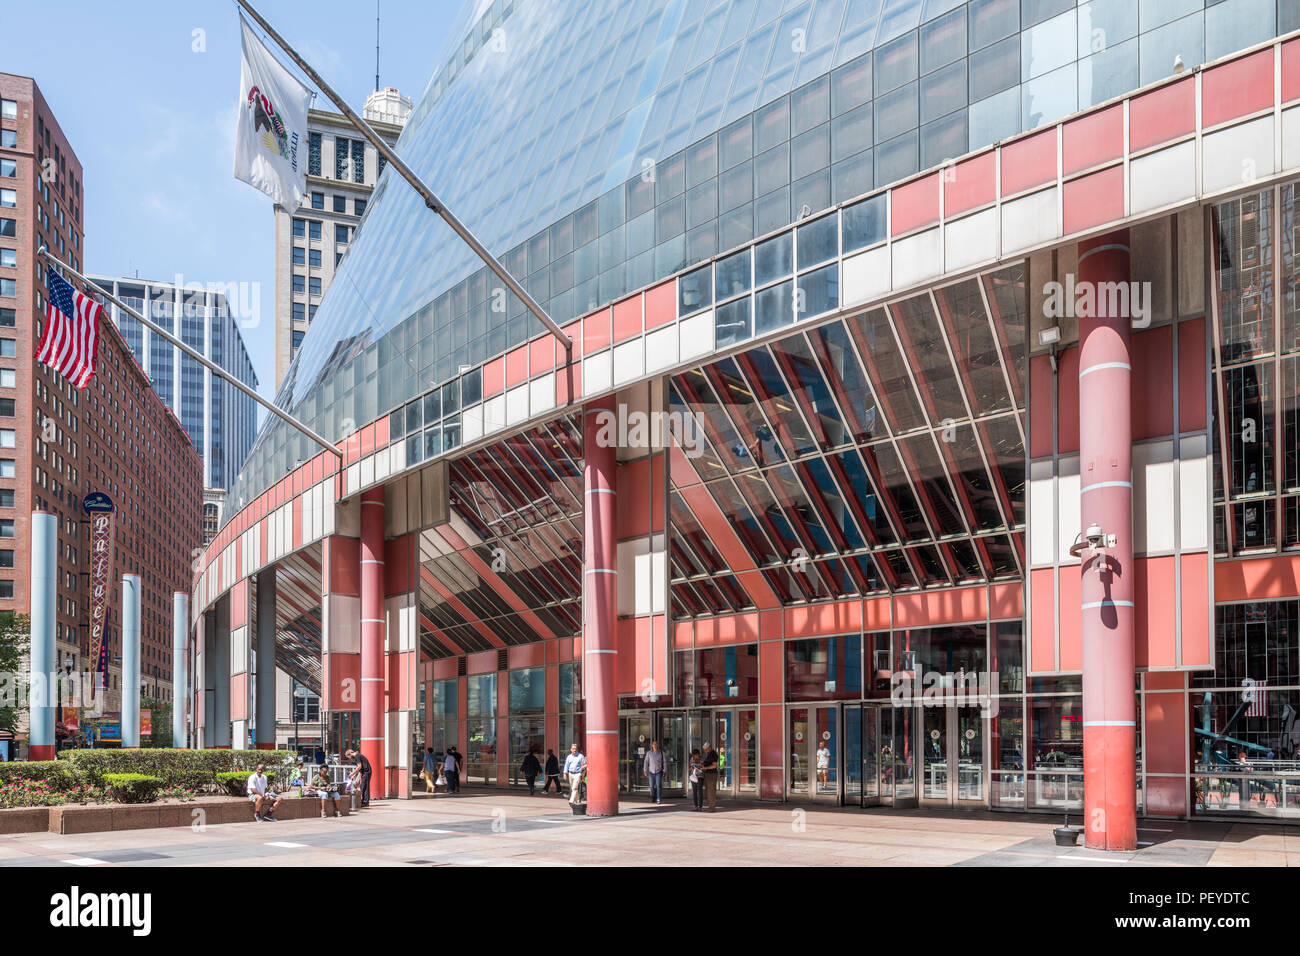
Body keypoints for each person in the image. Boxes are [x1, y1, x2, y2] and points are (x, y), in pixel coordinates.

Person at [643, 739, 666, 805]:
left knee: (658, 785)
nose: (655, 745)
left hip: (658, 771)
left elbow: (664, 762)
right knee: (651, 787)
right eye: (654, 744)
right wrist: (645, 770)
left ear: (657, 745)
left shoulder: (661, 753)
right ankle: (654, 796)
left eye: (656, 744)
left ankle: (658, 798)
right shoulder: (649, 753)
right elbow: (646, 762)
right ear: (652, 745)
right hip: (651, 772)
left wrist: (664, 770)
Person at [701, 742, 719, 811]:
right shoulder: (708, 754)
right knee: (708, 791)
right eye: (704, 750)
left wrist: (705, 768)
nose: (705, 751)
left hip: (712, 774)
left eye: (706, 749)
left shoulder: (713, 754)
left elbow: (714, 765)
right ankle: (710, 806)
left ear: (709, 748)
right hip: (708, 774)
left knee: (711, 791)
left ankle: (712, 807)